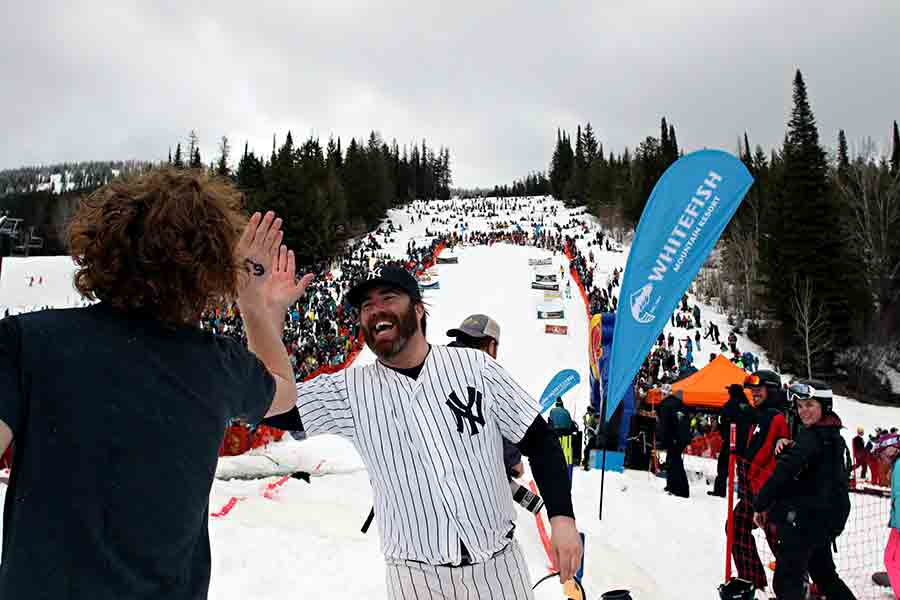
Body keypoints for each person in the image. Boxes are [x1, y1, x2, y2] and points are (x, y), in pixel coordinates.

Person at [0, 169, 301, 598]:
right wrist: (252, 305)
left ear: (102, 245)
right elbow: (283, 390)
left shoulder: (28, 342)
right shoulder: (218, 364)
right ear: (211, 267)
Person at [264, 266, 582, 599]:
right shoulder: (350, 391)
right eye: (366, 306)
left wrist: (561, 516)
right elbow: (269, 402)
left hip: (498, 569)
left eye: (388, 297)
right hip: (415, 579)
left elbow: (540, 440)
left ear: (418, 309)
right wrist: (264, 315)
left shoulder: (476, 368)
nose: (375, 310)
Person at [753, 379, 856, 600]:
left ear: (824, 406)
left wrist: (760, 504)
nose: (803, 411)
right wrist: (790, 449)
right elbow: (812, 470)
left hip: (803, 522)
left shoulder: (813, 437)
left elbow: (784, 473)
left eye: (809, 405)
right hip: (822, 522)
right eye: (799, 406)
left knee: (786, 583)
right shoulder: (831, 434)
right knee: (824, 576)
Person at [729, 370, 791, 591]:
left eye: (759, 389)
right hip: (751, 492)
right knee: (736, 528)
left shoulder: (778, 417)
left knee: (780, 543)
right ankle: (752, 578)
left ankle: (796, 584)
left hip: (770, 495)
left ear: (772, 390)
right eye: (752, 389)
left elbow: (763, 453)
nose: (754, 393)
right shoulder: (759, 415)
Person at [445, 314, 523, 479]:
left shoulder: (434, 363)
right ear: (492, 345)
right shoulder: (487, 372)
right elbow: (503, 422)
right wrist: (514, 460)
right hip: (469, 475)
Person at [656, 390, 691, 498]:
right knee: (672, 459)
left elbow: (664, 426)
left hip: (674, 438)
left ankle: (682, 490)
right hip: (682, 437)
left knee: (675, 462)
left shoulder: (665, 406)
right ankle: (671, 485)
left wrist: (662, 441)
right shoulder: (680, 404)